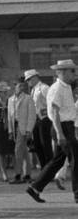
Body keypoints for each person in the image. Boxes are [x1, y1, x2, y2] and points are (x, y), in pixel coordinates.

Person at [27, 59, 78, 205]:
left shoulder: (66, 87)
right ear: (62, 72)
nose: (74, 73)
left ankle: (35, 187)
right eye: (72, 71)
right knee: (75, 158)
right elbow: (54, 112)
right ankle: (77, 193)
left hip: (65, 126)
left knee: (57, 161)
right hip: (61, 127)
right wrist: (60, 133)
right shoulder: (57, 88)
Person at [9, 78, 36, 184]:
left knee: (18, 150)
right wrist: (10, 131)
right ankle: (27, 175)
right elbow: (9, 116)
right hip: (15, 126)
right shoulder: (11, 99)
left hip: (23, 127)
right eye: (20, 86)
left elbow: (32, 115)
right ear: (15, 86)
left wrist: (29, 129)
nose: (22, 88)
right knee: (24, 151)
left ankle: (17, 175)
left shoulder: (28, 98)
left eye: (23, 85)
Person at [26, 69, 53, 166]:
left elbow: (51, 102)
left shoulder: (44, 88)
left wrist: (48, 114)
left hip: (44, 119)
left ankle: (49, 168)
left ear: (35, 77)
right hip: (36, 120)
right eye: (27, 80)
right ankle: (43, 166)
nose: (28, 81)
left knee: (45, 144)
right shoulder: (33, 90)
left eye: (29, 79)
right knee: (37, 145)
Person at [0, 81, 14, 182]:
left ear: (6, 92)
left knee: (13, 150)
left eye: (1, 91)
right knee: (0, 151)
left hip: (11, 127)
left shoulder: (11, 101)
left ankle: (16, 172)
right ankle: (4, 173)